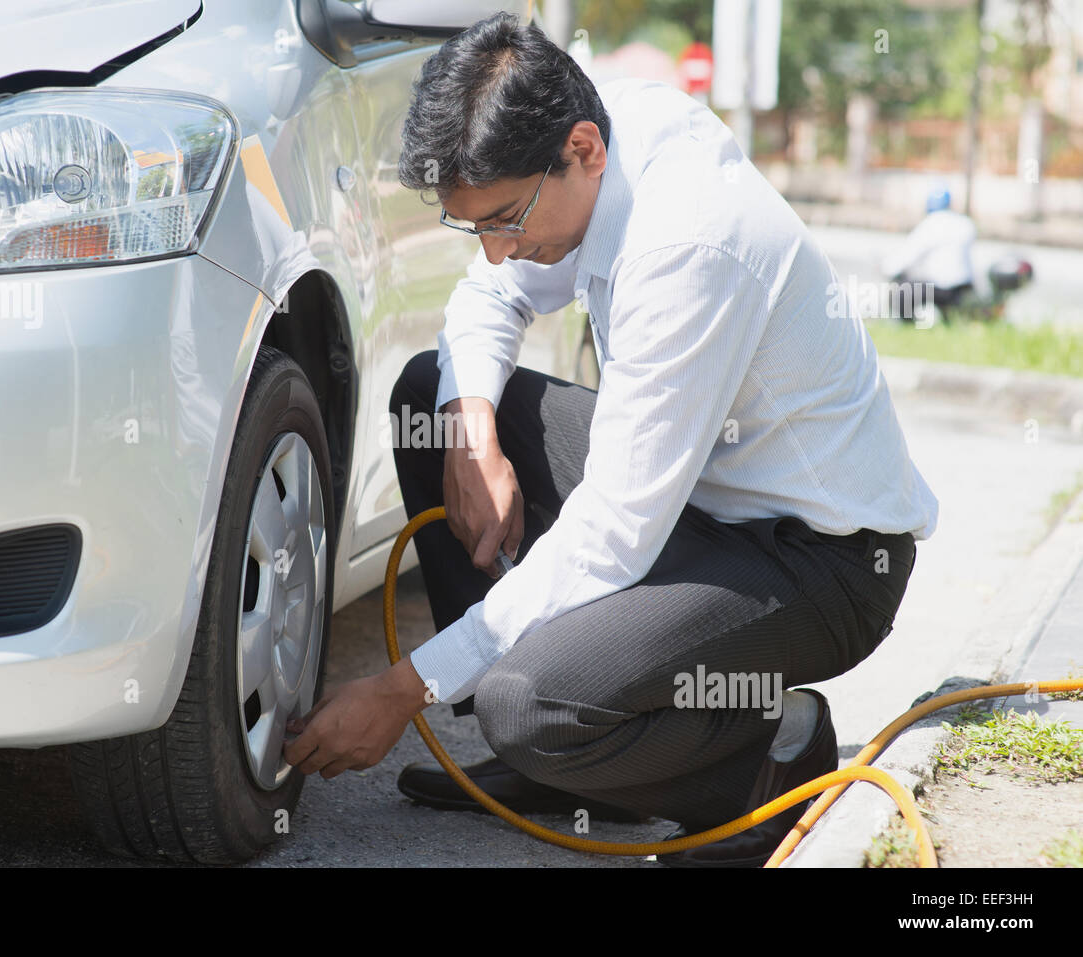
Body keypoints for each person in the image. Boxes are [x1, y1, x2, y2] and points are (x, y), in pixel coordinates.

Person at [282, 12, 939, 866]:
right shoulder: (585, 132)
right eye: (472, 226)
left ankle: (768, 760)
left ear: (583, 150)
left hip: (821, 561)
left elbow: (615, 533)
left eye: (505, 221)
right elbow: (490, 299)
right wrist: (473, 425)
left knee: (529, 702)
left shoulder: (689, 240)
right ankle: (580, 772)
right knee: (435, 399)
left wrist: (402, 688)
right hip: (699, 499)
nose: (494, 252)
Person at [882, 186, 977, 320]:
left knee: (903, 289)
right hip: (964, 288)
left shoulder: (931, 224)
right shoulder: (966, 223)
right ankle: (948, 318)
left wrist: (888, 268)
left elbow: (905, 257)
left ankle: (907, 323)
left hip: (941, 288)